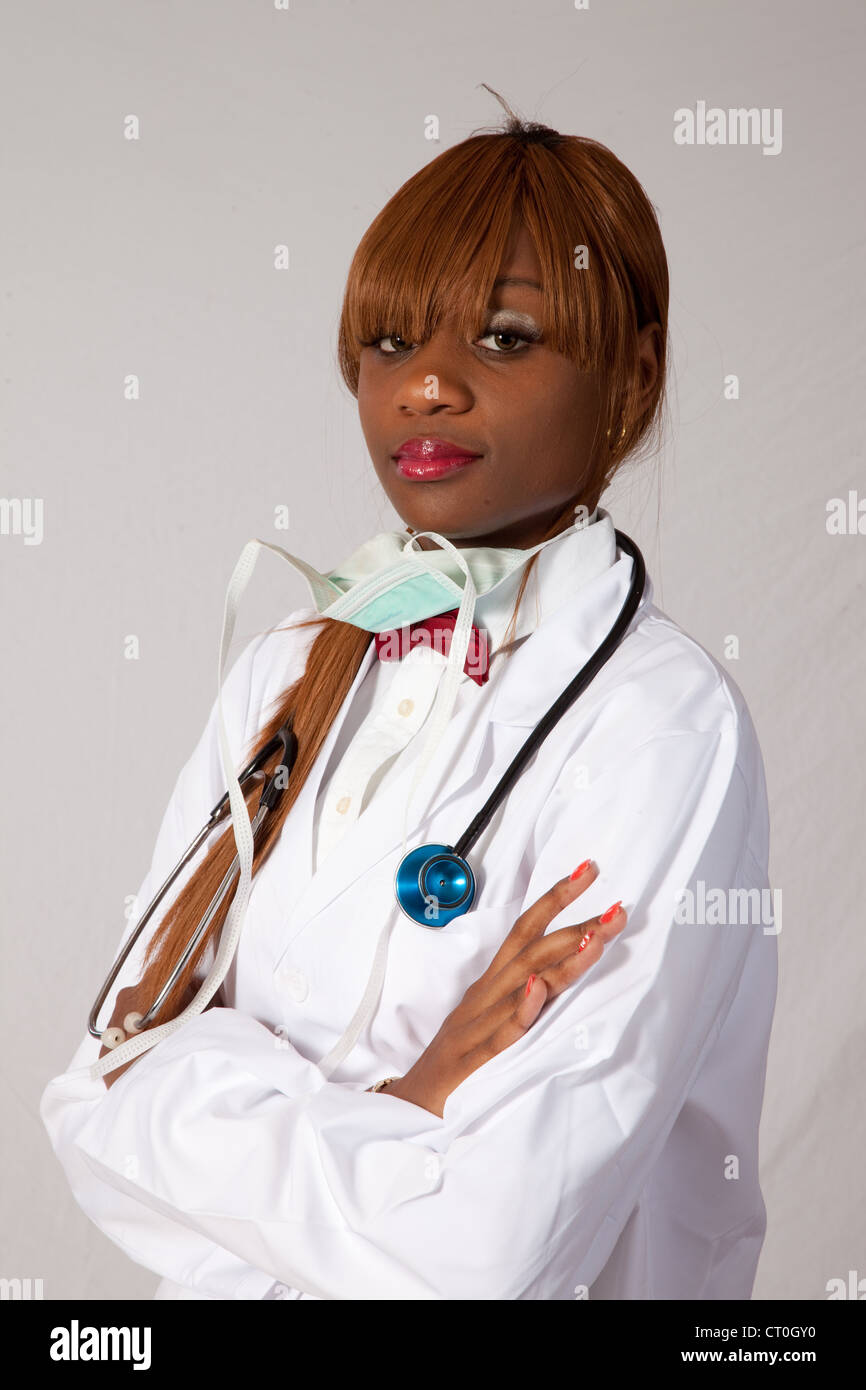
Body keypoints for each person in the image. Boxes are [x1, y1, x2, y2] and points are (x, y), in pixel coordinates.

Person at [40, 105, 777, 1301]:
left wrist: (228, 1106)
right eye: (387, 342)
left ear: (629, 377)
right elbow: (96, 1091)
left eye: (501, 336)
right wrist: (408, 1102)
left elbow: (486, 1253)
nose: (425, 385)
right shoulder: (286, 669)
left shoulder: (657, 725)